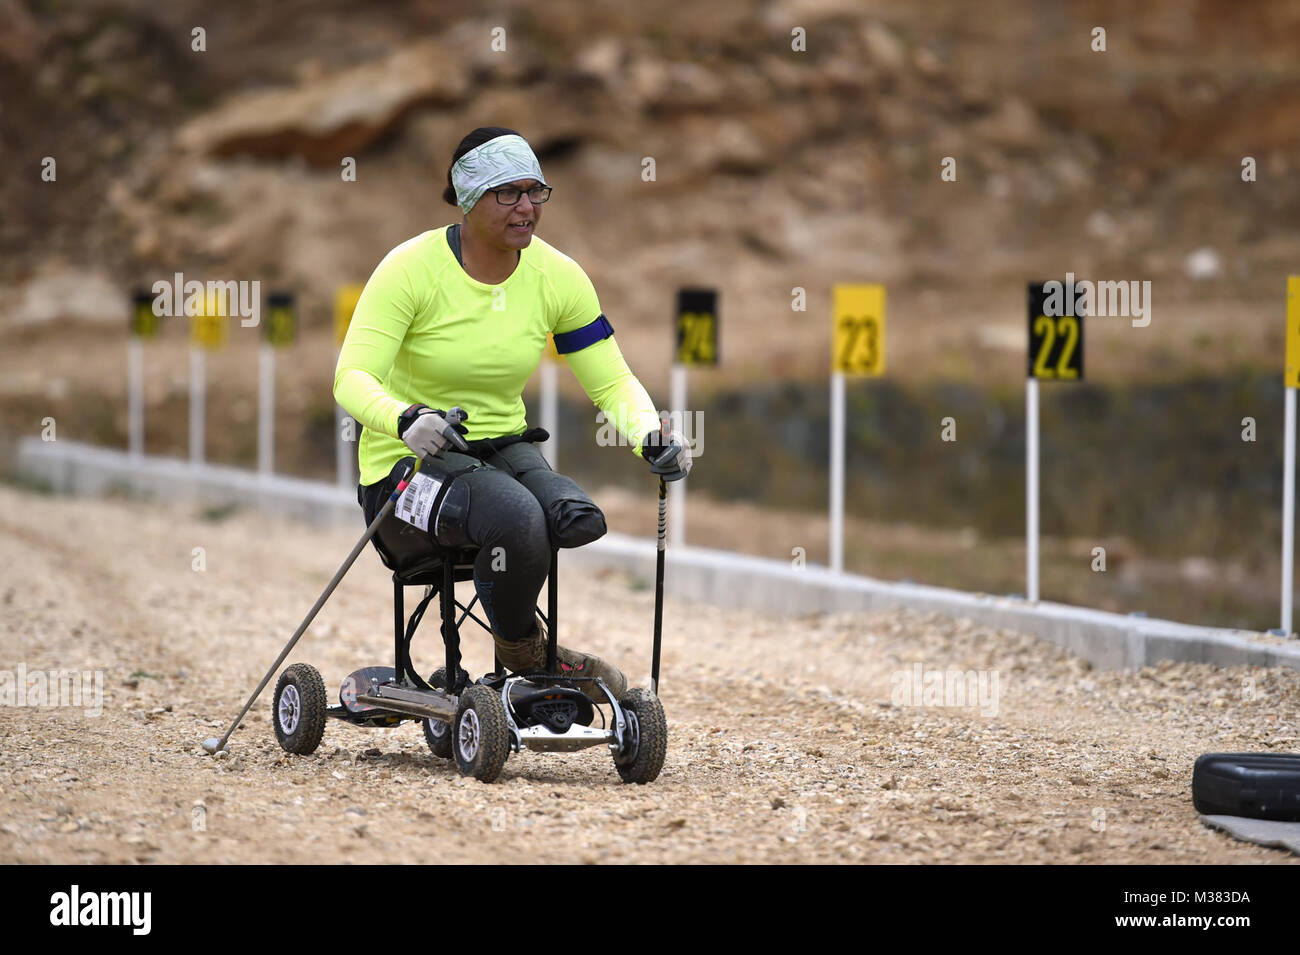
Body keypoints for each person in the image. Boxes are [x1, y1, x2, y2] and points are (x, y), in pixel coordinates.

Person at [334, 126, 693, 702]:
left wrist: (649, 434)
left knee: (575, 516)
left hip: (499, 449)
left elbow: (612, 381)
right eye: (508, 193)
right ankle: (530, 653)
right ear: (468, 197)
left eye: (536, 192)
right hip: (405, 471)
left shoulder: (558, 275)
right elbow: (350, 377)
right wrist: (404, 419)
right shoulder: (408, 269)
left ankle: (521, 654)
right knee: (518, 520)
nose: (527, 208)